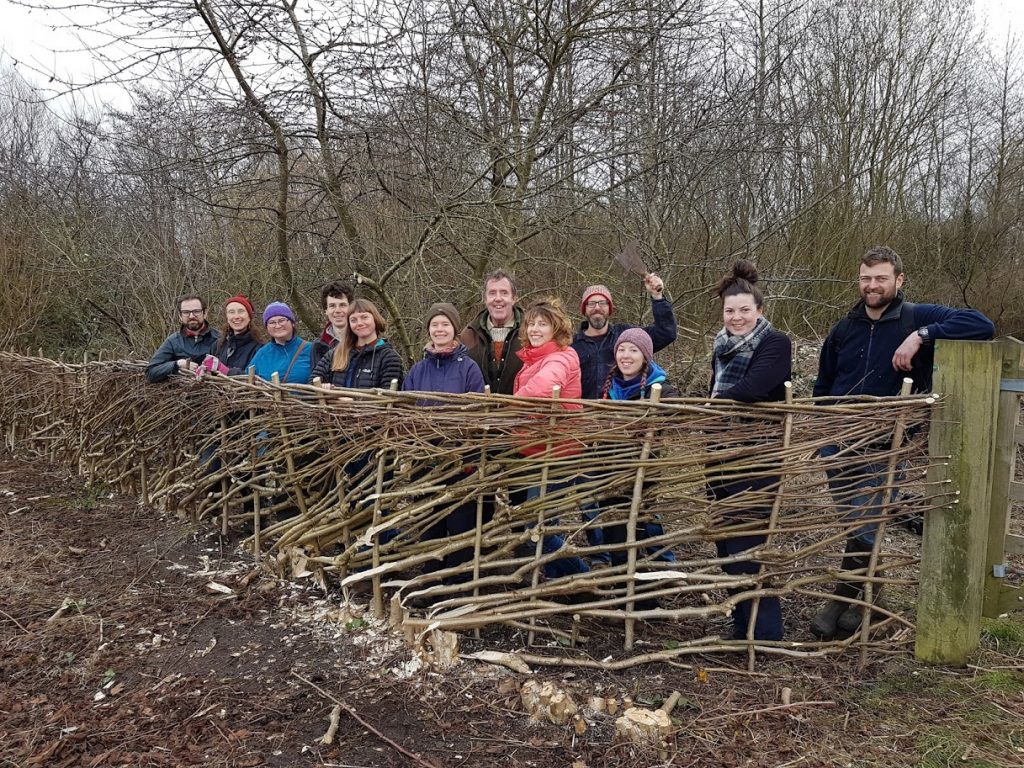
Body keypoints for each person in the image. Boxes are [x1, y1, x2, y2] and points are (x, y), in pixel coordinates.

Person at [810, 245, 995, 640]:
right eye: (865, 278)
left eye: (881, 278)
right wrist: (823, 429)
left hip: (886, 446)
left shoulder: (917, 317)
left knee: (864, 524)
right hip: (838, 443)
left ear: (899, 279)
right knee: (855, 525)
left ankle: (839, 600)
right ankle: (872, 600)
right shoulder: (844, 328)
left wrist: (920, 336)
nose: (872, 285)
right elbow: (823, 384)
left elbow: (981, 325)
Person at [707, 260, 792, 641]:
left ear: (759, 310)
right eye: (730, 311)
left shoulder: (775, 343)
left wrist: (712, 405)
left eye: (744, 310)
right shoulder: (720, 345)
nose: (736, 317)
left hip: (756, 457)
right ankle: (742, 627)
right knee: (726, 546)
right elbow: (718, 389)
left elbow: (757, 386)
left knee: (749, 546)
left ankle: (765, 634)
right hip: (719, 455)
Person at [402, 303, 486, 586]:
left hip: (460, 459)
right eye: (434, 325)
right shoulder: (418, 370)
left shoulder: (469, 368)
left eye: (445, 324)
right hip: (425, 459)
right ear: (429, 330)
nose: (440, 329)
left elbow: (477, 414)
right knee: (430, 520)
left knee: (460, 520)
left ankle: (458, 582)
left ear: (455, 329)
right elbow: (406, 411)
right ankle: (430, 580)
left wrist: (462, 446)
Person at [511, 298, 589, 579]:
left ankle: (582, 576)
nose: (534, 329)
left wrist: (507, 406)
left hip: (557, 453)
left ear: (556, 329)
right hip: (536, 451)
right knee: (546, 523)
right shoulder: (535, 358)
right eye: (531, 323)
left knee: (537, 528)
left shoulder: (561, 357)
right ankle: (561, 580)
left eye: (542, 324)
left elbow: (543, 388)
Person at [595, 328, 680, 569]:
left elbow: (677, 413)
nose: (626, 356)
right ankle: (621, 580)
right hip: (610, 475)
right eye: (621, 349)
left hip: (641, 476)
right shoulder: (609, 387)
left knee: (641, 531)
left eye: (633, 350)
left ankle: (649, 582)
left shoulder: (661, 389)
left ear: (645, 356)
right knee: (614, 533)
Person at [571, 273, 678, 400]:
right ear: (584, 309)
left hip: (626, 411)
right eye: (591, 303)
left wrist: (657, 297)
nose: (597, 307)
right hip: (584, 411)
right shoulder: (571, 346)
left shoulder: (627, 335)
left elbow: (666, 333)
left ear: (610, 309)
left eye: (603, 303)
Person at [311, 298, 404, 389]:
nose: (359, 323)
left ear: (375, 319)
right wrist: (325, 389)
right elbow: (312, 382)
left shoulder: (389, 358)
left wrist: (350, 398)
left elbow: (388, 395)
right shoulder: (336, 353)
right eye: (353, 320)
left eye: (364, 317)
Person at [460, 269, 524, 395]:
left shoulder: (531, 332)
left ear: (514, 298)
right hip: (479, 407)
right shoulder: (468, 335)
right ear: (484, 299)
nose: (498, 299)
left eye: (504, 293)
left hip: (522, 406)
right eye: (492, 293)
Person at [145, 294, 219, 383]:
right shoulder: (173, 341)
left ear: (205, 313)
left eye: (196, 311)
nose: (191, 316)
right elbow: (150, 373)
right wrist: (177, 364)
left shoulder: (220, 339)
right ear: (180, 316)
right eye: (186, 312)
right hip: (182, 390)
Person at [197, 294, 264, 377]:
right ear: (227, 317)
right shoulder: (218, 345)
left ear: (249, 316)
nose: (236, 316)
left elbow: (258, 377)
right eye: (231, 312)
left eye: (241, 311)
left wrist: (227, 371)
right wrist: (204, 370)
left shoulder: (259, 349)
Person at [249, 302, 313, 384]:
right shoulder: (262, 354)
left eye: (282, 321)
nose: (278, 326)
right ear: (266, 327)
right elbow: (248, 380)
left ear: (292, 323)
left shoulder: (310, 349)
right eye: (272, 322)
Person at [311, 280, 355, 371]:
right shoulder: (319, 346)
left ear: (351, 308)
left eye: (342, 305)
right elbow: (316, 376)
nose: (337, 310)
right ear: (326, 310)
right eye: (332, 306)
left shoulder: (363, 339)